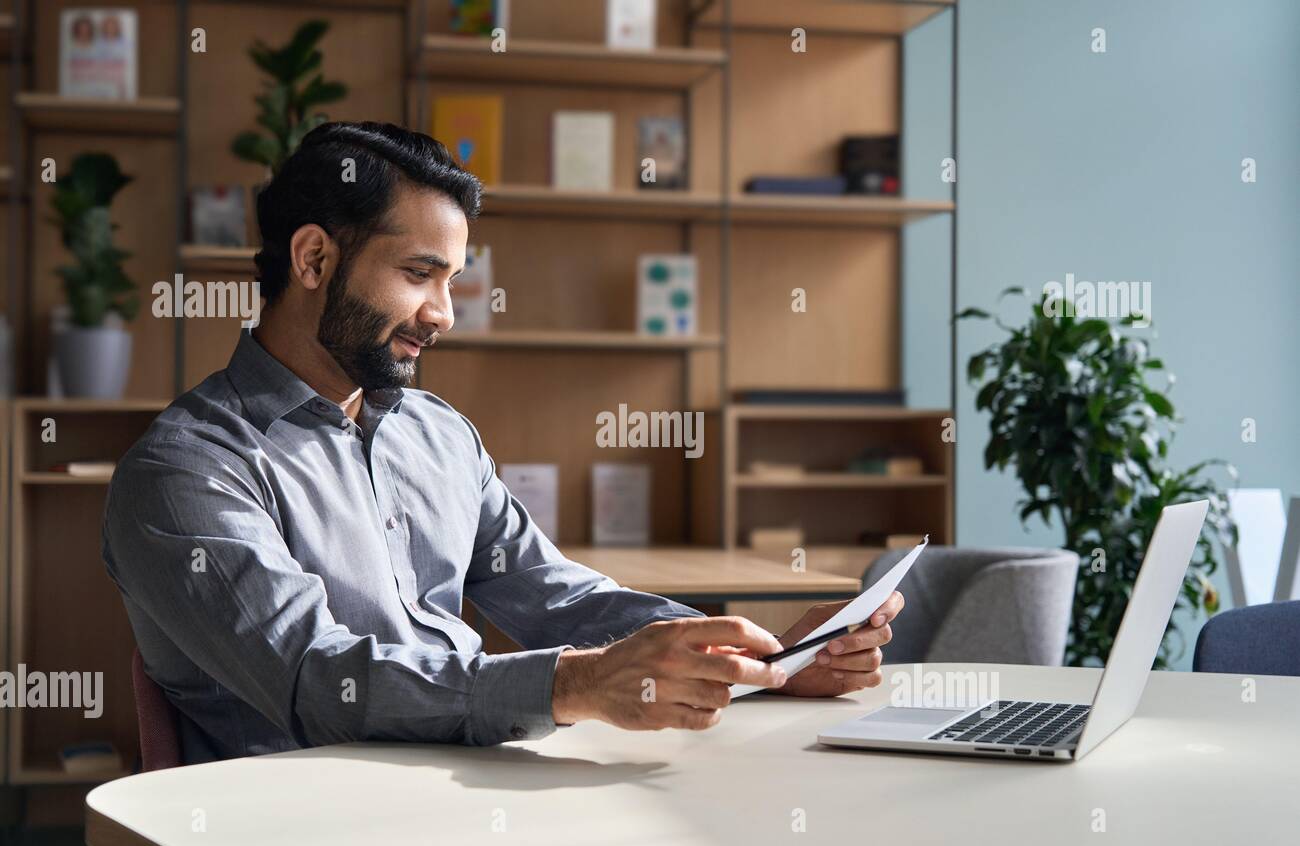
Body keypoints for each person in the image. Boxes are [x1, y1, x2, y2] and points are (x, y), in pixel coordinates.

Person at [102, 122, 903, 763]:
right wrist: (576, 685)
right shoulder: (185, 470)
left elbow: (558, 596)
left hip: (462, 795)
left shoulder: (438, 435)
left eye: (451, 280)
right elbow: (321, 680)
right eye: (420, 274)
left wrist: (749, 658)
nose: (446, 313)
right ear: (314, 258)